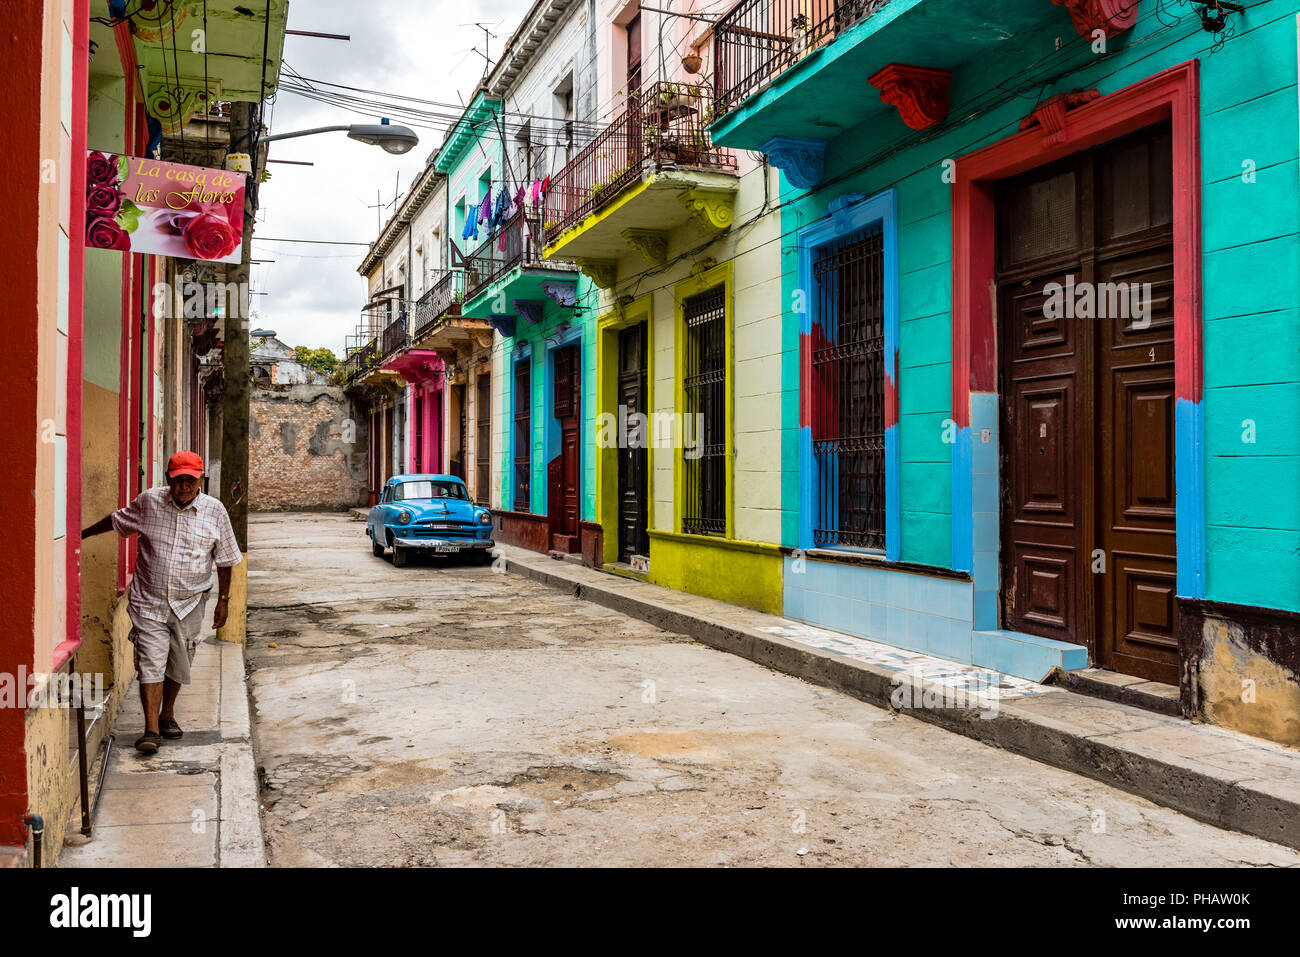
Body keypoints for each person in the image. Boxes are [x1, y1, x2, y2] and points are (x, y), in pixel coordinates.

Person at [82, 451, 241, 754]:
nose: (183, 486)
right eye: (178, 479)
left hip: (190, 601)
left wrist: (224, 600)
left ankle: (168, 713)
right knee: (150, 661)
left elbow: (225, 559)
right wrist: (81, 535)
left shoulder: (215, 511)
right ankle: (151, 728)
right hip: (149, 600)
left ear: (200, 480)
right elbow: (118, 521)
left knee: (179, 662)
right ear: (168, 478)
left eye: (190, 480)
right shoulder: (149, 502)